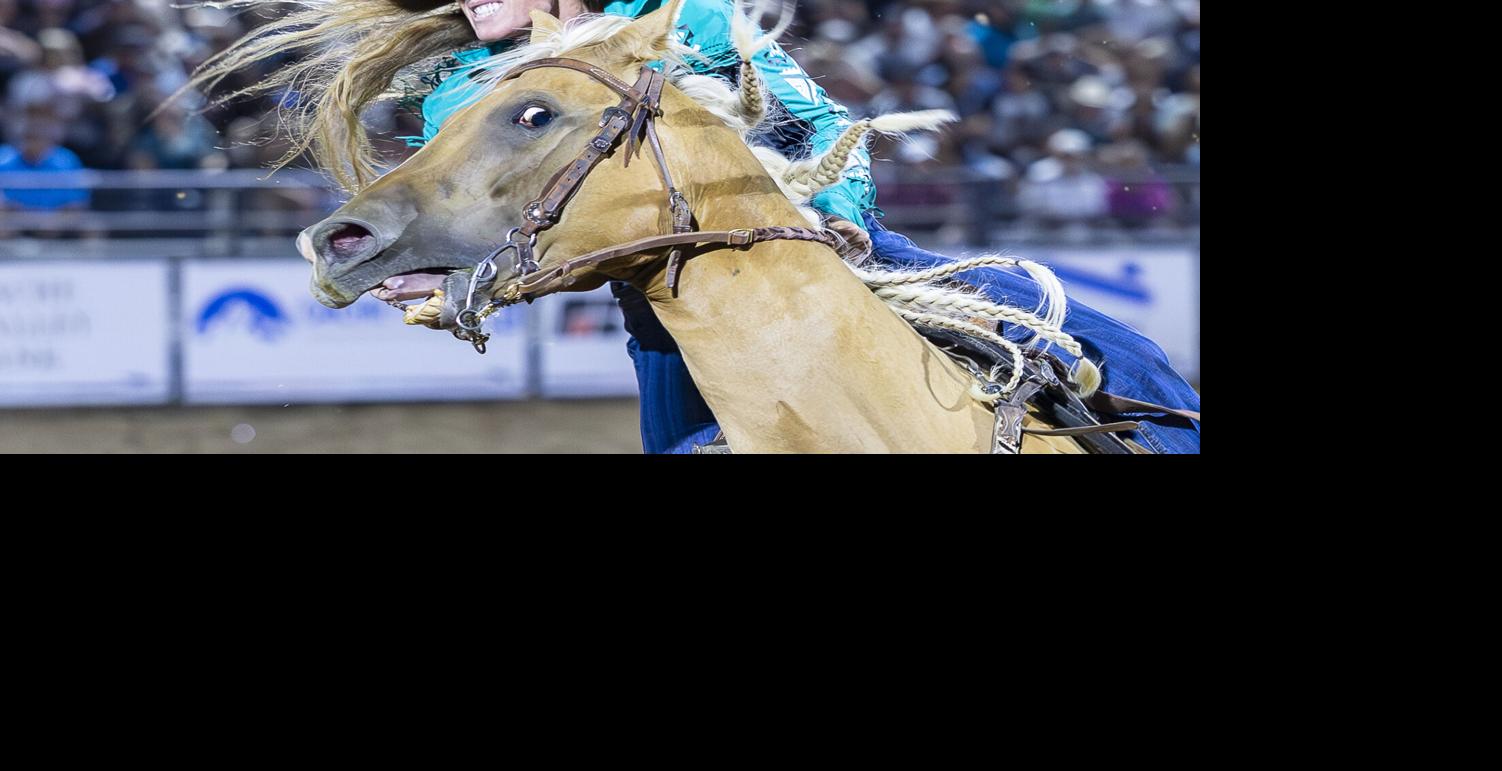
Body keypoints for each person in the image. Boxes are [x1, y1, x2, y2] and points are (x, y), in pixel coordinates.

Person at [192, 0, 1200, 452]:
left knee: (1084, 336)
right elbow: (487, 229)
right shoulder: (465, 91)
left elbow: (822, 125)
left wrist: (835, 220)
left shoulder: (688, 20)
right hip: (666, 314)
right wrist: (442, 281)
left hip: (835, 259)